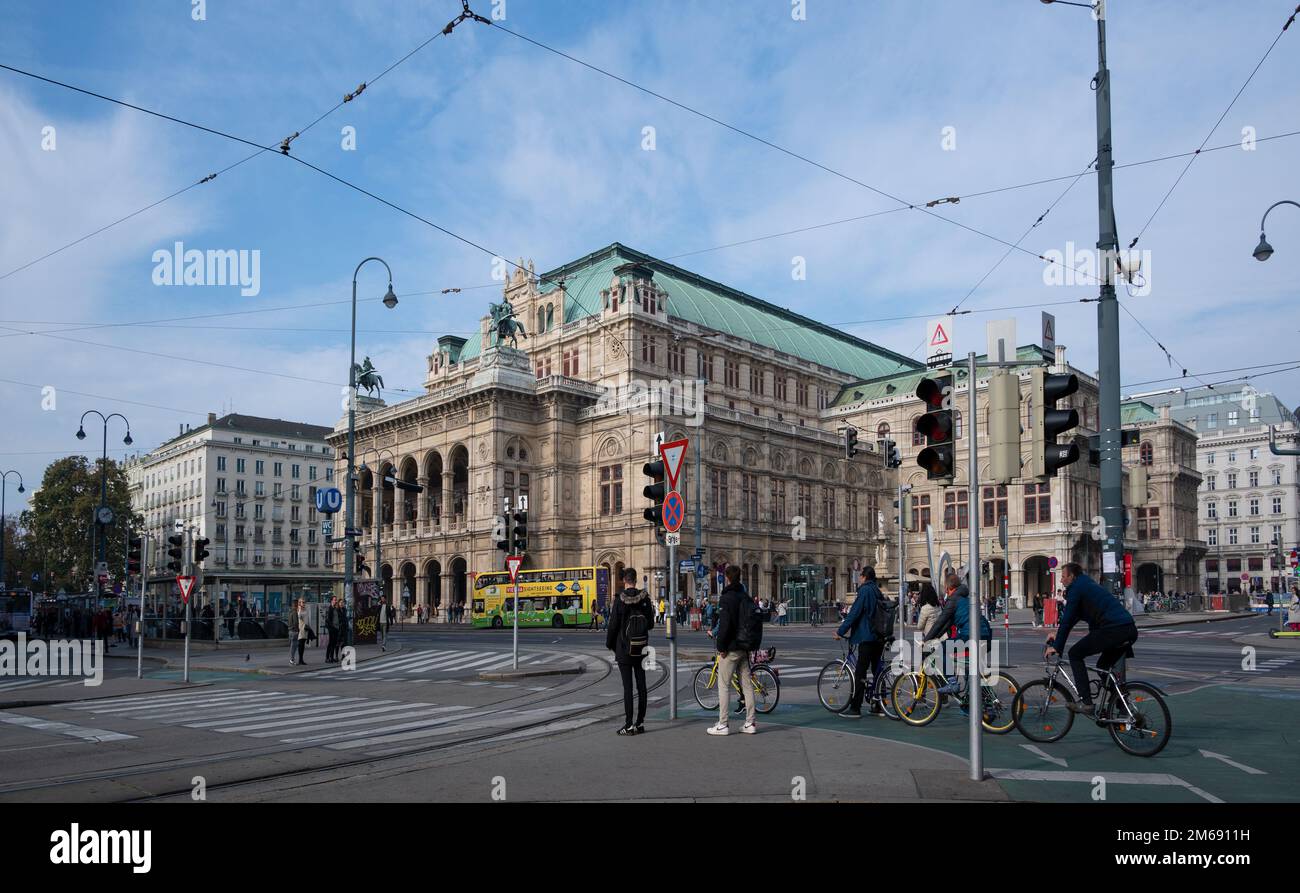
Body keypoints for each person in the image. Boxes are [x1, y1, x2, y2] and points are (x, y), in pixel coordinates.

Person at [1045, 561, 1137, 717]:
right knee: (1103, 666)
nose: (1061, 580)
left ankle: (1086, 703)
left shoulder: (1076, 589)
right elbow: (1074, 617)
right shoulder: (1086, 584)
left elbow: (1067, 619)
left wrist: (1057, 646)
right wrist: (1057, 632)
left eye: (1063, 576)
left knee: (1075, 654)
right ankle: (1123, 706)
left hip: (1113, 629)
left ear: (1072, 576)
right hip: (1128, 629)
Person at [922, 569, 992, 695]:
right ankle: (987, 704)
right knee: (970, 670)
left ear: (948, 587)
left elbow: (940, 622)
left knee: (942, 649)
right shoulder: (965, 598)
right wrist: (933, 638)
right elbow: (947, 624)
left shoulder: (954, 599)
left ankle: (952, 683)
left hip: (971, 635)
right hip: (985, 634)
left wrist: (926, 640)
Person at [708, 565, 758, 736]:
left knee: (723, 685)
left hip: (731, 648)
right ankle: (750, 723)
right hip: (745, 646)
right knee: (747, 685)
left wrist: (721, 647)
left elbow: (725, 625)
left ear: (727, 578)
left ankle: (723, 724)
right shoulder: (745, 596)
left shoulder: (727, 598)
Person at [605, 568, 653, 736]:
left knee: (628, 688)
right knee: (642, 686)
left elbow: (613, 625)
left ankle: (628, 724)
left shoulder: (619, 600)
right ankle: (640, 723)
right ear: (636, 580)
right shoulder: (645, 599)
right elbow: (651, 624)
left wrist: (610, 644)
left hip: (624, 649)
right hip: (642, 648)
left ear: (625, 580)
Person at [835, 566, 886, 717]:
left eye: (860, 576)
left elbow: (854, 613)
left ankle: (855, 708)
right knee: (877, 671)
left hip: (867, 637)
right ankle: (878, 704)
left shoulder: (864, 591)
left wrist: (840, 631)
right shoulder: (878, 591)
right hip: (879, 636)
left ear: (863, 577)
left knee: (860, 673)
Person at [288, 600, 302, 665]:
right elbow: (296, 622)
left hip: (290, 631)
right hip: (294, 631)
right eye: (298, 603)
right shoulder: (294, 612)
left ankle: (291, 659)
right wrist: (298, 630)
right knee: (293, 647)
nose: (299, 604)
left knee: (292, 646)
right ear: (296, 605)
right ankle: (292, 660)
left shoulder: (290, 611)